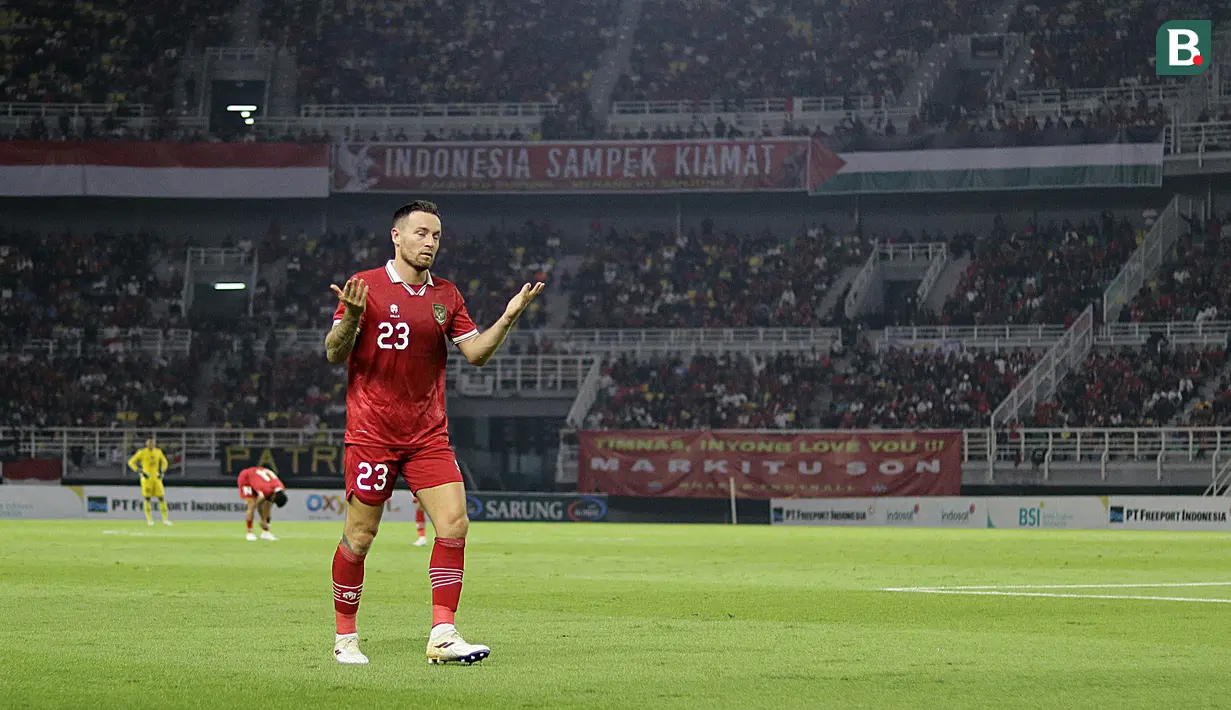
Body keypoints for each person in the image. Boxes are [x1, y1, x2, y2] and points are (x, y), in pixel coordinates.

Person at [325, 199, 543, 666]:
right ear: (397, 236)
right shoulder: (363, 287)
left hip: (427, 435)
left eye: (437, 236)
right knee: (360, 537)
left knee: (455, 524)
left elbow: (476, 354)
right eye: (421, 233)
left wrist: (507, 318)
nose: (430, 243)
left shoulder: (447, 295)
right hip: (372, 434)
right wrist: (353, 319)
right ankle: (346, 637)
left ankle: (442, 635)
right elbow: (333, 351)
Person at [237, 466, 289, 541]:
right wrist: (262, 519)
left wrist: (265, 523)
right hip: (247, 477)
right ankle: (249, 532)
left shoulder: (281, 489)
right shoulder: (265, 490)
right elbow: (258, 504)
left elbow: (268, 505)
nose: (272, 500)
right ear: (274, 495)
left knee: (268, 504)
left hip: (258, 478)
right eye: (273, 499)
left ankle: (265, 532)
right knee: (251, 505)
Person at [127, 439, 171, 526]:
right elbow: (131, 462)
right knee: (147, 498)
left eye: (152, 443)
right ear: (146, 444)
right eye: (149, 443)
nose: (151, 445)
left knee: (161, 497)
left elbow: (165, 461)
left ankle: (165, 519)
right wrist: (139, 471)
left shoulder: (158, 452)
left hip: (156, 478)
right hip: (147, 478)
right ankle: (149, 519)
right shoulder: (142, 452)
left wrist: (162, 471)